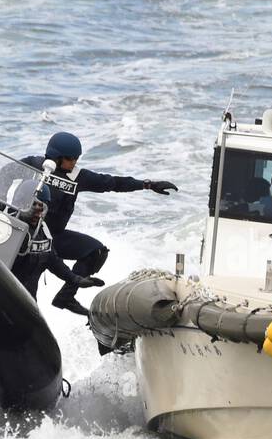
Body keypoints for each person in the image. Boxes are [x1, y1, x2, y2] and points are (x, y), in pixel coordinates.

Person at [19, 131, 178, 316]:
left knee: (96, 251)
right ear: (56, 156)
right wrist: (2, 197)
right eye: (71, 159)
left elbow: (112, 183)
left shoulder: (77, 177)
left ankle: (66, 297)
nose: (74, 163)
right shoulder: (34, 165)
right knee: (27, 296)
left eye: (77, 159)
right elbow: (6, 172)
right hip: (26, 234)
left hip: (54, 237)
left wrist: (147, 184)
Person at [11, 199, 104, 303]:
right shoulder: (3, 225)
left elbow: (54, 261)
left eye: (41, 207)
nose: (37, 210)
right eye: (33, 205)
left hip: (24, 298)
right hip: (2, 287)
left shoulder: (43, 233)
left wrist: (78, 280)